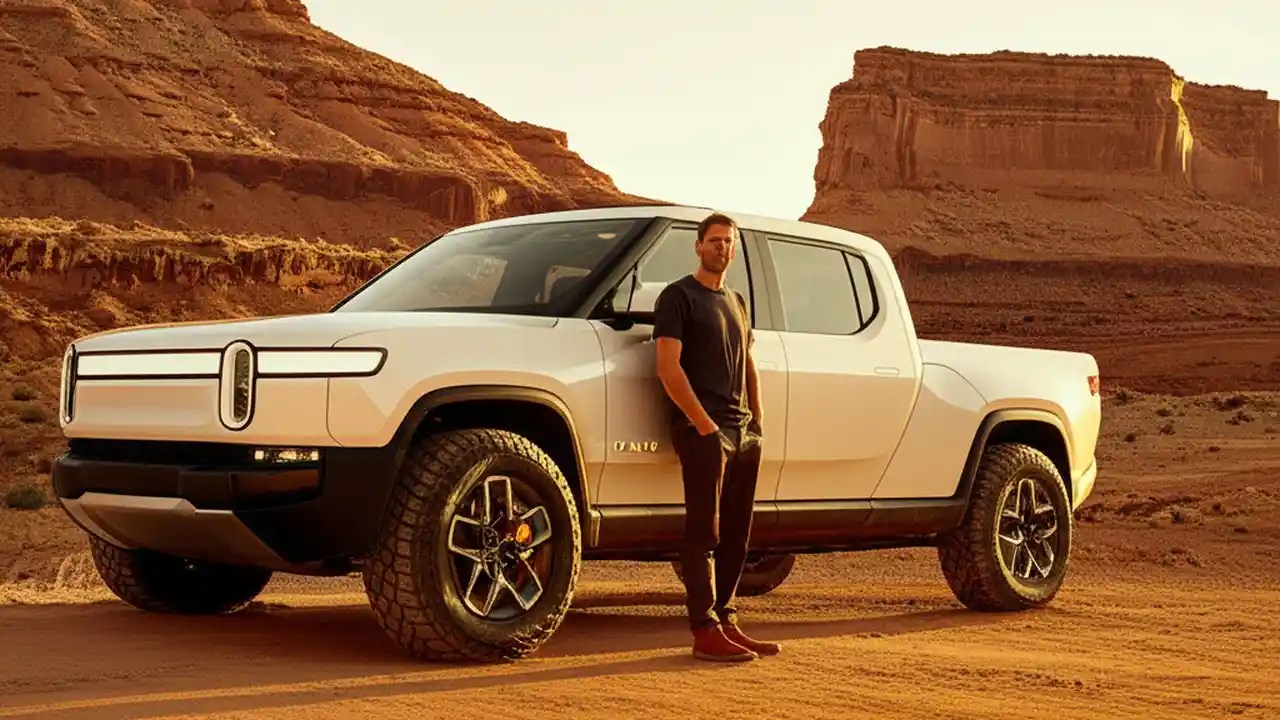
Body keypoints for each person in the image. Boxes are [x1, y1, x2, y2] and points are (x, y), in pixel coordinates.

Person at [652, 211, 781, 662]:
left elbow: (748, 362)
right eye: (714, 241)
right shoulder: (678, 297)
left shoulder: (737, 301)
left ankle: (725, 618)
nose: (722, 248)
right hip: (703, 431)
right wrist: (703, 425)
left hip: (743, 431)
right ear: (698, 246)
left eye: (728, 241)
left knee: (738, 537)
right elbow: (667, 366)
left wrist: (757, 420)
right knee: (703, 532)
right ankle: (703, 628)